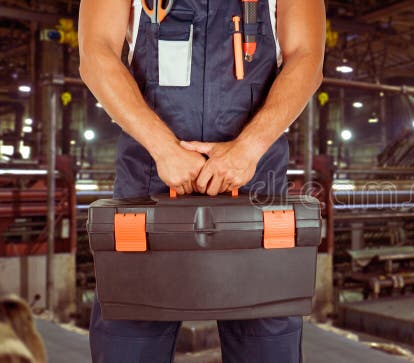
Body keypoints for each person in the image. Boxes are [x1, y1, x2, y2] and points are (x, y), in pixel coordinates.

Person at [77, 0, 324, 361]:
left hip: (254, 179)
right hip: (149, 179)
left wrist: (248, 149)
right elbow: (96, 52)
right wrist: (163, 149)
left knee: (265, 337)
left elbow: (306, 57)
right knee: (130, 333)